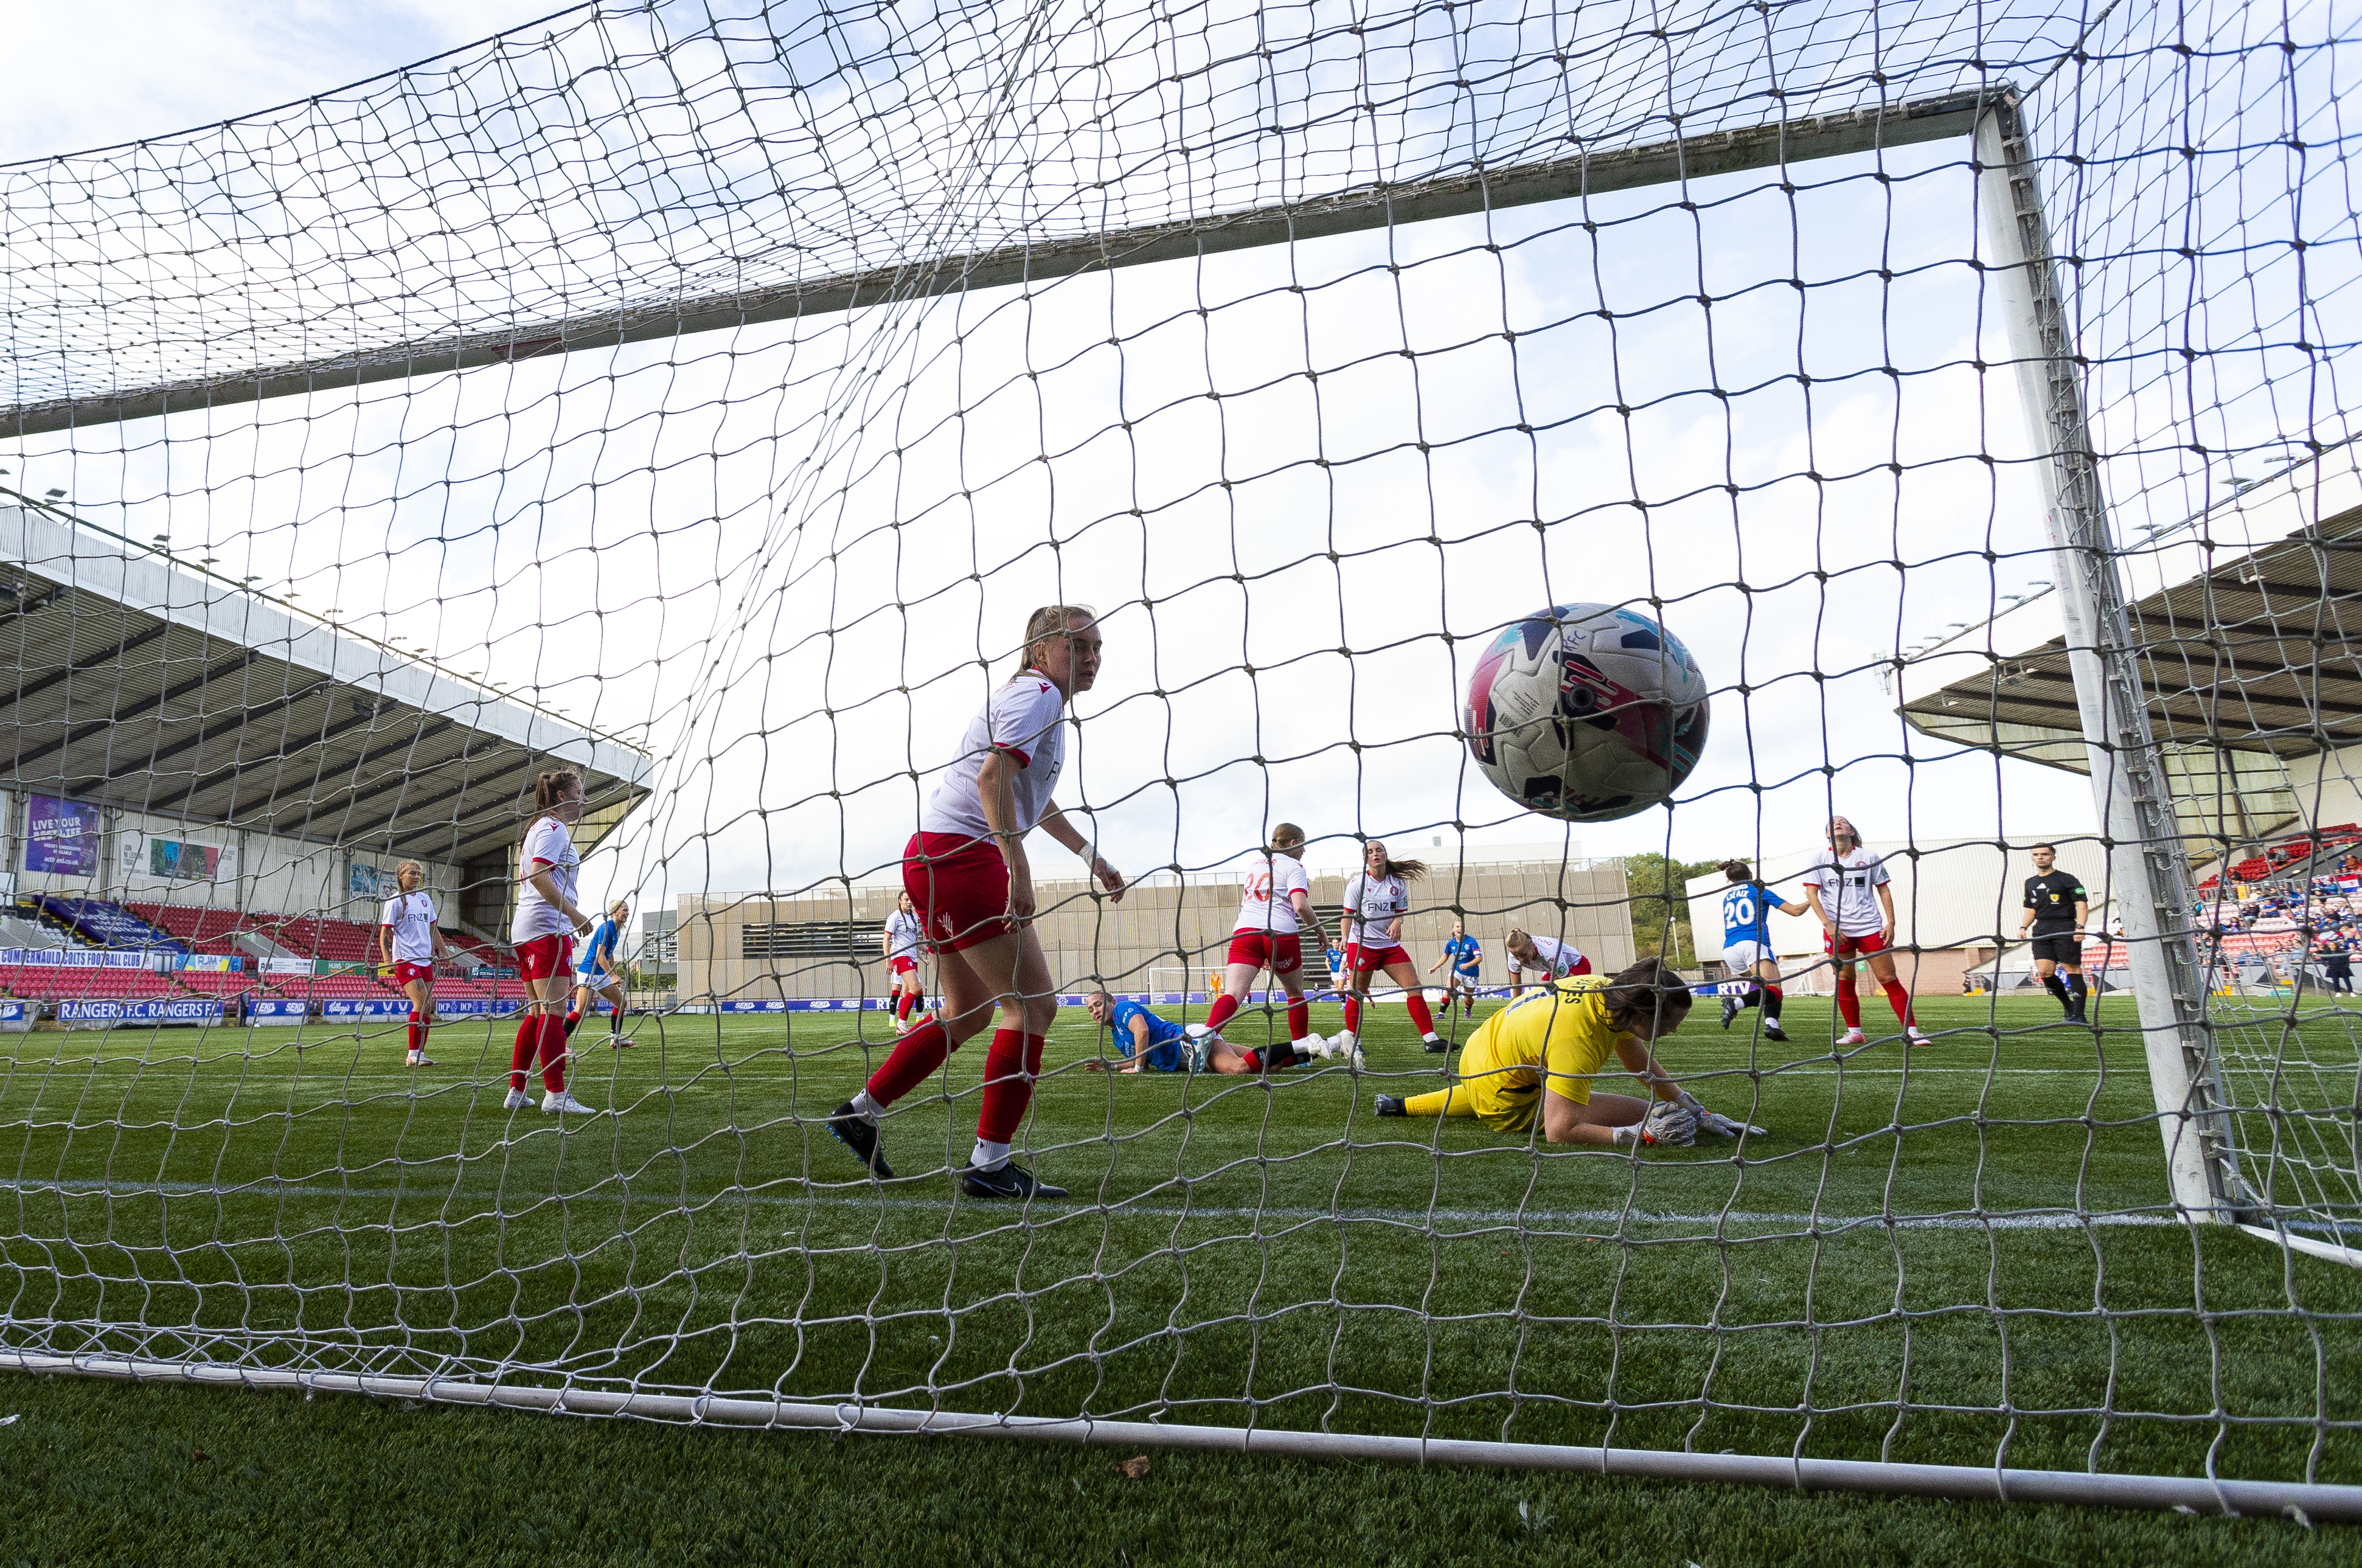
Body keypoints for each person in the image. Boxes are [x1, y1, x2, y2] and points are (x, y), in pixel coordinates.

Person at [825, 605, 1128, 1199]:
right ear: (1041, 650)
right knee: (1033, 1007)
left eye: (1097, 647)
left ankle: (861, 1111)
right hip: (963, 856)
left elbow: (1028, 797)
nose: (1092, 658)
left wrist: (1089, 854)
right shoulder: (1038, 695)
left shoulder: (1036, 701)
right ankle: (989, 1165)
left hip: (932, 853)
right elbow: (993, 781)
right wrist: (1016, 866)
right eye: (1079, 646)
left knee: (969, 1011)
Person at [1372, 959, 1763, 1145]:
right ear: (1640, 1013)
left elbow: (1635, 1060)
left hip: (1479, 1055)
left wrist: (1697, 1109)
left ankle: (1399, 1105)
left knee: (1485, 1088)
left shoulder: (1606, 989)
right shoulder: (1576, 1040)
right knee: (1651, 1114)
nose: (1673, 1031)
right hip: (1503, 1094)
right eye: (1667, 1024)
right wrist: (1642, 1135)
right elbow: (1560, 1131)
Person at [1199, 822, 1326, 1070]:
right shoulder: (1294, 866)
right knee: (1295, 994)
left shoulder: (1255, 864)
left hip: (1245, 931)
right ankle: (1300, 1054)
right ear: (1293, 844)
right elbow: (1300, 905)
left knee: (1232, 994)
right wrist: (1320, 930)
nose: (1304, 852)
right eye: (1303, 846)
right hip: (1279, 933)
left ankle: (1206, 1036)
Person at [509, 768, 600, 1115]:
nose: (585, 798)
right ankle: (556, 1094)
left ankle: (517, 1091)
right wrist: (575, 915)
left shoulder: (537, 827)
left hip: (525, 929)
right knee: (555, 1010)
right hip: (547, 929)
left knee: (536, 1012)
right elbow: (538, 875)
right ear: (563, 797)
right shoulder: (554, 827)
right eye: (580, 791)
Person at [1803, 816, 1930, 1047]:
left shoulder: (1868, 857)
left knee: (1888, 978)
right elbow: (1811, 894)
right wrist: (1829, 925)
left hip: (1870, 927)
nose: (1837, 824)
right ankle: (1855, 1032)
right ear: (1827, 834)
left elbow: (1883, 890)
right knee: (1845, 979)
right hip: (1837, 931)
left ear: (1852, 831)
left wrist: (1891, 923)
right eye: (1832, 823)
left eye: (1842, 822)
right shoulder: (1818, 859)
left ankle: (1912, 1032)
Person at [1333, 839, 1447, 1056]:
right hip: (1363, 945)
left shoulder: (1398, 883)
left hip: (1390, 947)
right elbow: (1347, 915)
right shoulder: (1357, 884)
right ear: (1366, 859)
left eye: (1379, 850)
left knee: (1414, 987)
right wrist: (1346, 938)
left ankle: (1430, 1040)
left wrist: (1397, 922)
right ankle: (1352, 1041)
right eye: (1370, 852)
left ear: (1385, 854)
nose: (1375, 854)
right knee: (1356, 994)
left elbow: (1401, 911)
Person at [1714, 860, 1807, 1042]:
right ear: (1750, 875)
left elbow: (1726, 924)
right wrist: (1813, 899)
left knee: (1766, 987)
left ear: (1730, 880)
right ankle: (1735, 1003)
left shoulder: (1727, 897)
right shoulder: (1758, 890)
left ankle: (1772, 1026)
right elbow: (1795, 911)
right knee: (1775, 989)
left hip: (1730, 949)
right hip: (1753, 945)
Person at [1081, 990, 1266, 1074]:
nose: (1095, 1011)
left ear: (1112, 1002)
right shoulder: (1117, 1038)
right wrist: (1111, 1065)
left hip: (1186, 1042)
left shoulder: (1122, 1008)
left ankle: (1295, 1048)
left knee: (1237, 1068)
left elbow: (1142, 1031)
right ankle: (1295, 1054)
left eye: (1098, 1004)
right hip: (1185, 1053)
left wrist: (1137, 1069)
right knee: (1269, 1065)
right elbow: (1143, 1060)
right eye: (1091, 1010)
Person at [377, 859, 451, 1068]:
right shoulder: (395, 901)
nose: (416, 877)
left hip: (425, 960)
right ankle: (412, 1054)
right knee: (420, 1003)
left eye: (419, 874)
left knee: (427, 1008)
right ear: (400, 875)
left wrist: (444, 954)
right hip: (406, 960)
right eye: (412, 873)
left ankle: (421, 1053)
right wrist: (387, 960)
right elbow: (385, 932)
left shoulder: (426, 899)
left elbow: (433, 928)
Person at [2019, 844, 2090, 1024]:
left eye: (2044, 854)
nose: (2040, 857)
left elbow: (2081, 905)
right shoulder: (2030, 882)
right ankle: (2069, 1007)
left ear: (2053, 857)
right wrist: (2023, 927)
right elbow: (2030, 909)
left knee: (2071, 968)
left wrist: (2080, 927)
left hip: (2065, 926)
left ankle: (2079, 1015)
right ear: (2032, 858)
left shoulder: (2066, 879)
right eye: (2036, 855)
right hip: (2042, 930)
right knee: (2045, 972)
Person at [567, 898, 633, 1048]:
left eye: (628, 910)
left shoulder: (615, 931)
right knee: (580, 1010)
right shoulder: (607, 929)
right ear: (615, 913)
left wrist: (614, 973)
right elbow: (600, 956)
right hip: (589, 973)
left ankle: (616, 1039)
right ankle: (559, 1043)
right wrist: (612, 975)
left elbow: (609, 955)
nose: (627, 913)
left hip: (601, 974)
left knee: (621, 1003)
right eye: (625, 910)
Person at [882, 890, 927, 1033]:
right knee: (916, 988)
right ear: (900, 901)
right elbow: (886, 940)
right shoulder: (895, 917)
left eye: (911, 900)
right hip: (901, 957)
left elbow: (914, 941)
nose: (909, 902)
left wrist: (926, 948)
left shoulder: (914, 918)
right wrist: (887, 960)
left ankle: (900, 1027)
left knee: (907, 992)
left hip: (912, 957)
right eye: (906, 899)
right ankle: (901, 1023)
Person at [1504, 928, 1589, 999]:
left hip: (1578, 965)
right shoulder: (1513, 957)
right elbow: (1516, 986)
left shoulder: (1550, 953)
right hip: (1551, 969)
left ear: (1532, 946)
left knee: (1560, 995)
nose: (1521, 959)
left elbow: (1565, 981)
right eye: (1516, 956)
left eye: (1523, 955)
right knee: (1541, 994)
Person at [1426, 918, 1483, 1017]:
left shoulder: (1471, 941)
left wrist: (1467, 965)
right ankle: (1441, 1014)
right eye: (1457, 927)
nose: (1460, 928)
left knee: (1468, 997)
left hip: (1472, 972)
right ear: (1453, 930)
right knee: (1449, 989)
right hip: (1457, 970)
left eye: (1462, 927)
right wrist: (1435, 967)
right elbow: (1445, 957)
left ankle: (1468, 1009)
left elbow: (1479, 958)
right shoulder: (1451, 943)